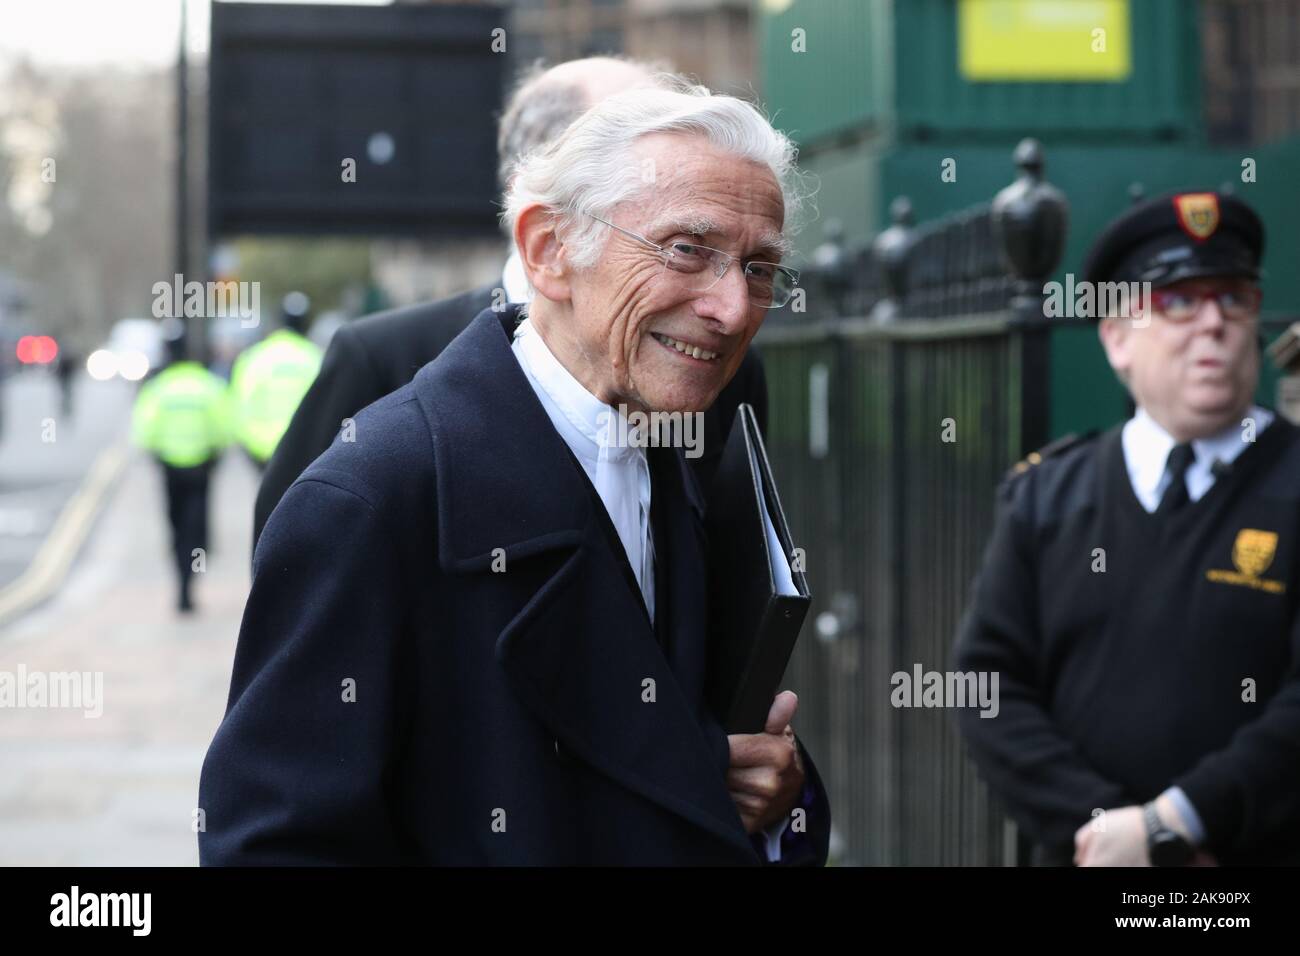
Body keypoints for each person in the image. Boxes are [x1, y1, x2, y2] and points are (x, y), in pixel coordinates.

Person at [199, 80, 830, 865]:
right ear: (548, 251)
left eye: (760, 267)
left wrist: (775, 801)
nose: (734, 307)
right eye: (687, 250)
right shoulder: (370, 499)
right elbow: (275, 847)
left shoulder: (686, 450)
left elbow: (684, 766)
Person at [252, 56, 769, 551]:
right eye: (683, 248)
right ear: (546, 224)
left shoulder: (722, 363)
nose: (729, 309)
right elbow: (297, 552)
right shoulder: (385, 360)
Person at [953, 190, 1300, 866]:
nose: (1214, 323)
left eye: (1233, 298)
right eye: (1177, 301)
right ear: (1115, 338)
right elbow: (989, 684)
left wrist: (1178, 824)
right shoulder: (1047, 495)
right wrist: (1108, 831)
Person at [130, 319, 231, 613]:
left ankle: (181, 580)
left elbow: (144, 431)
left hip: (170, 468)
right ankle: (191, 581)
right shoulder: (206, 384)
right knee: (197, 528)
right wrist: (216, 455)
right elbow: (224, 425)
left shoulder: (158, 388)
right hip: (202, 467)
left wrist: (157, 455)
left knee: (175, 526)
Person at [229, 291, 322, 471]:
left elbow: (239, 403)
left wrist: (247, 443)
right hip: (301, 449)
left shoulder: (254, 356)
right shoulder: (315, 357)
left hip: (261, 449)